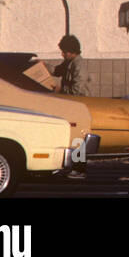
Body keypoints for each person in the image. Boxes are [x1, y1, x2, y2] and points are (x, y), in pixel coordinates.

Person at [53, 34, 87, 179]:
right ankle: (69, 166)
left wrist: (60, 90)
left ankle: (79, 169)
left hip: (78, 107)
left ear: (72, 51)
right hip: (70, 106)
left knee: (78, 138)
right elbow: (56, 70)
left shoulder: (78, 65)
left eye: (64, 51)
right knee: (69, 137)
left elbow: (78, 90)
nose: (62, 54)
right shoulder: (69, 63)